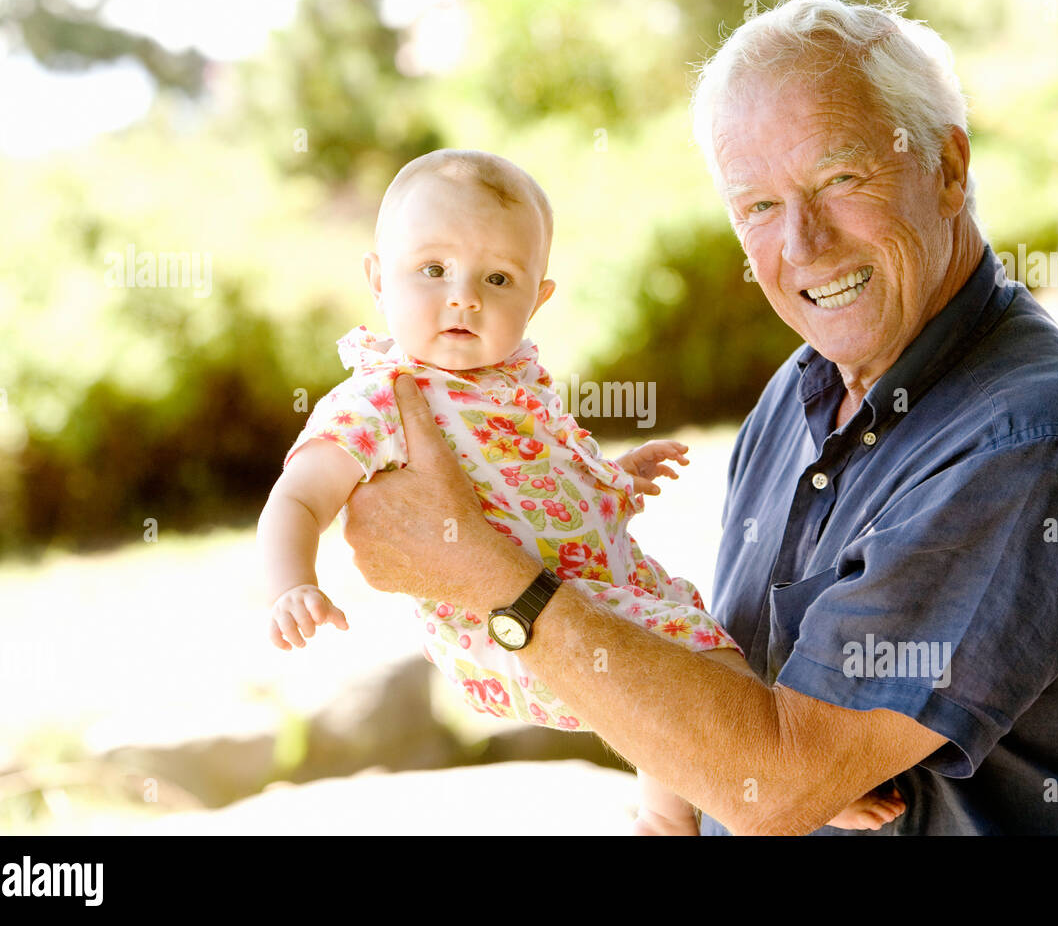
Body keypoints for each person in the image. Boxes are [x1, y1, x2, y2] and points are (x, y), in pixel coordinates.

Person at [335, 0, 1058, 835]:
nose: (804, 243)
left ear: (948, 167)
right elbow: (729, 713)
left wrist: (487, 577)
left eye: (840, 178)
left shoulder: (1035, 441)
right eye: (760, 207)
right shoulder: (803, 389)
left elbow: (773, 786)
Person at [255, 148, 907, 834]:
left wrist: (615, 479)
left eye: (498, 278)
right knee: (690, 656)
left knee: (682, 644)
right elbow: (296, 496)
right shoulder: (380, 399)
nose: (463, 296)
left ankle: (669, 811)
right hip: (498, 623)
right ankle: (790, 784)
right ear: (377, 279)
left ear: (537, 299)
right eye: (432, 269)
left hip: (586, 584)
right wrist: (291, 583)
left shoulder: (508, 378)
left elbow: (536, 479)